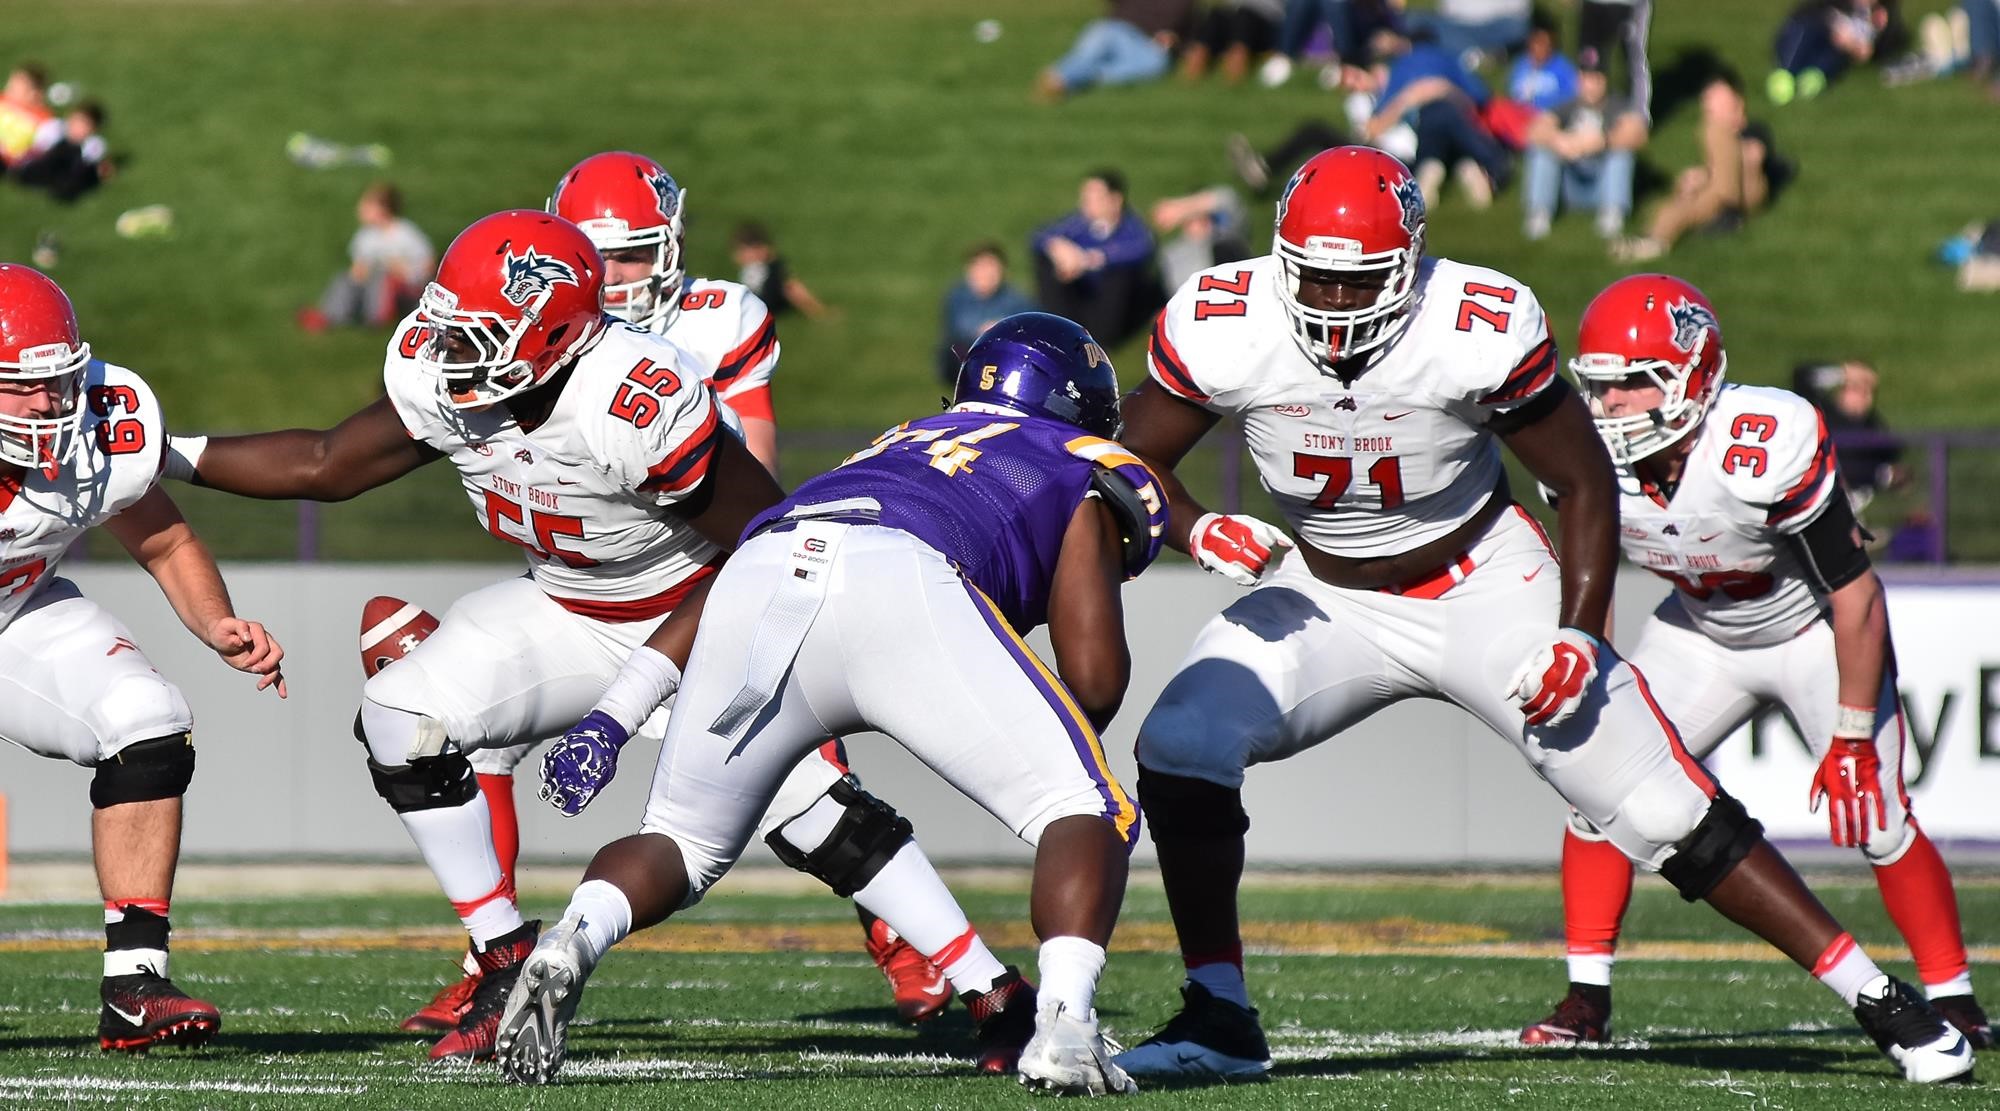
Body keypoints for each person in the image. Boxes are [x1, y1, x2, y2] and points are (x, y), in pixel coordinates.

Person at [1099, 146, 1975, 1085]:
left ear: (1407, 267)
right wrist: (1196, 526)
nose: (1330, 304)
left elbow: (1581, 474)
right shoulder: (1227, 321)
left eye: (1356, 284)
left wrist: (1579, 630)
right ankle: (1221, 1016)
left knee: (1657, 800)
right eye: (1312, 276)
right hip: (1322, 585)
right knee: (1181, 741)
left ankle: (1881, 998)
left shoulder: (1475, 323)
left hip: (1483, 578)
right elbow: (1121, 456)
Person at [159, 211, 1006, 1066]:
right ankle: (501, 954)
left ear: (556, 334)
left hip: (700, 614)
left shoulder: (630, 399)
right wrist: (163, 453)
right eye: (448, 324)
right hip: (566, 607)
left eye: (477, 335)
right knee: (399, 717)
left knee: (814, 815)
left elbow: (762, 550)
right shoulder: (453, 379)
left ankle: (990, 988)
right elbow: (324, 461)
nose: (450, 350)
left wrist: (630, 698)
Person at [493, 313, 1167, 1094]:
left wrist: (613, 718)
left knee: (677, 838)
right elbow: (1095, 680)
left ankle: (575, 935)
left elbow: (728, 574)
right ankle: (1065, 1024)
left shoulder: (895, 441)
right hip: (900, 580)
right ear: (1079, 406)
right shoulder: (1070, 454)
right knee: (1086, 802)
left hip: (763, 569)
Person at [1522, 274, 1992, 1051]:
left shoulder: (1763, 441)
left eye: (1634, 386)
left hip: (1810, 629)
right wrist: (1587, 659)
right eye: (1601, 387)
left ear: (1695, 375)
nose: (1610, 407)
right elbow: (1592, 573)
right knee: (1596, 790)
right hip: (1699, 634)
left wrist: (1847, 732)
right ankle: (1585, 999)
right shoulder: (1583, 450)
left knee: (1877, 816)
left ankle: (1957, 998)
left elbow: (1856, 594)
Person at [0, 265, 287, 1052]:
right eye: (23, 389)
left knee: (148, 718)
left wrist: (216, 621)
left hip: (15, 616)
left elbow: (163, 537)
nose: (52, 405)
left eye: (57, 381)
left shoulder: (94, 430)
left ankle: (136, 983)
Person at [1612, 72, 1783, 262]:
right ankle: (1653, 237)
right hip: (1722, 190)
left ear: (1737, 102)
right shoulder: (1720, 136)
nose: (1709, 106)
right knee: (1684, 194)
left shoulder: (1749, 131)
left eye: (1716, 100)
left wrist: (1713, 173)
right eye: (1707, 100)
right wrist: (1702, 176)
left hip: (1741, 191)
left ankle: (1658, 239)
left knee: (1712, 135)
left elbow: (1754, 158)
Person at [1360, 29, 1513, 209]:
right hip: (1454, 114)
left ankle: (1428, 166)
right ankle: (1472, 166)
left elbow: (1383, 108)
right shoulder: (1449, 58)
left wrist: (1412, 97)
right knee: (1459, 137)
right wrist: (1445, 89)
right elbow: (1480, 94)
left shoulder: (1402, 65)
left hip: (1425, 118)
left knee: (1433, 138)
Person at [1029, 169, 1160, 347]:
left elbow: (1140, 249)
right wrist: (1058, 248)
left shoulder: (1132, 228)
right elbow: (1039, 236)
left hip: (1118, 306)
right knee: (1046, 262)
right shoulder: (1079, 224)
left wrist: (1089, 260)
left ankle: (1099, 339)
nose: (1087, 204)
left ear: (1115, 200)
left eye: (1095, 198)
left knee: (1118, 276)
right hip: (1082, 294)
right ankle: (1058, 326)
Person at [1521, 65, 1648, 240]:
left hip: (1601, 185)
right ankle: (1539, 213)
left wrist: (1603, 141)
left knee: (1621, 155)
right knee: (1541, 152)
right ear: (1579, 80)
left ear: (1605, 80)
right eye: (1586, 78)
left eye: (1597, 79)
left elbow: (1638, 134)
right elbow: (1534, 131)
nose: (1591, 86)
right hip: (1569, 183)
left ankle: (1612, 214)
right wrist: (1558, 140)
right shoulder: (1566, 105)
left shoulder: (1617, 105)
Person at [298, 182, 435, 332]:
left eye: (367, 207)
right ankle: (329, 315)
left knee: (383, 278)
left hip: (407, 286)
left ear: (383, 209)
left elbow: (427, 263)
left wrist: (406, 272)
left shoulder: (405, 233)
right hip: (372, 284)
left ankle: (377, 317)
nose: (360, 210)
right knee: (344, 279)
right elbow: (359, 268)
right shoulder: (365, 236)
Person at [1036, 0, 1198, 101]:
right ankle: (1059, 77)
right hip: (1117, 30)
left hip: (1147, 44)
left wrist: (1174, 40)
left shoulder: (1185, 3)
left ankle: (1078, 78)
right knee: (1093, 47)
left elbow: (1187, 33)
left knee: (1158, 64)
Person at [937, 241, 1037, 386]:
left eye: (991, 268)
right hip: (963, 360)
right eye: (979, 267)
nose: (985, 274)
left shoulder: (1018, 301)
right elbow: (955, 331)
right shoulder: (957, 297)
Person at [1770, 0, 1887, 104]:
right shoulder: (1837, 3)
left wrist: (1863, 49)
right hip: (1803, 35)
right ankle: (1786, 73)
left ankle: (1815, 75)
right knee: (1805, 32)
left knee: (1837, 54)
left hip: (1832, 48)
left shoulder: (1876, 15)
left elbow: (1882, 42)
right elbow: (1808, 13)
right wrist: (1833, 27)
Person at [1150, 186, 1253, 294]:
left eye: (1203, 215)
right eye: (1194, 217)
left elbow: (1229, 198)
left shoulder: (1229, 236)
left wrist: (1181, 208)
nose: (1200, 220)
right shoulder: (1171, 254)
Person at [12, 100, 112, 203]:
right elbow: (37, 150)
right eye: (76, 122)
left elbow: (91, 166)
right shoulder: (54, 128)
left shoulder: (94, 144)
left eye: (84, 125)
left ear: (93, 129)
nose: (78, 128)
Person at [731, 222, 833, 321]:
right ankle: (820, 313)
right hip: (761, 302)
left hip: (754, 301)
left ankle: (820, 311)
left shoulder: (747, 263)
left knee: (790, 286)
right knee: (791, 287)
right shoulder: (764, 265)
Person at [1577, 0, 1654, 121]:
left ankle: (1638, 119)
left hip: (1629, 4)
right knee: (1589, 63)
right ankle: (1592, 117)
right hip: (1594, 4)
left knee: (1633, 60)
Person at [1181, 0, 1284, 83]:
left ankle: (1237, 64)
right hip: (1237, 19)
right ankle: (1198, 58)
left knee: (1244, 16)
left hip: (1265, 25)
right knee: (1215, 14)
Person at [0, 63, 58, 169]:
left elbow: (41, 148)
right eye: (11, 84)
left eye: (16, 87)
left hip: (12, 160)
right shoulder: (2, 99)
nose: (8, 87)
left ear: (34, 93)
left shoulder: (43, 118)